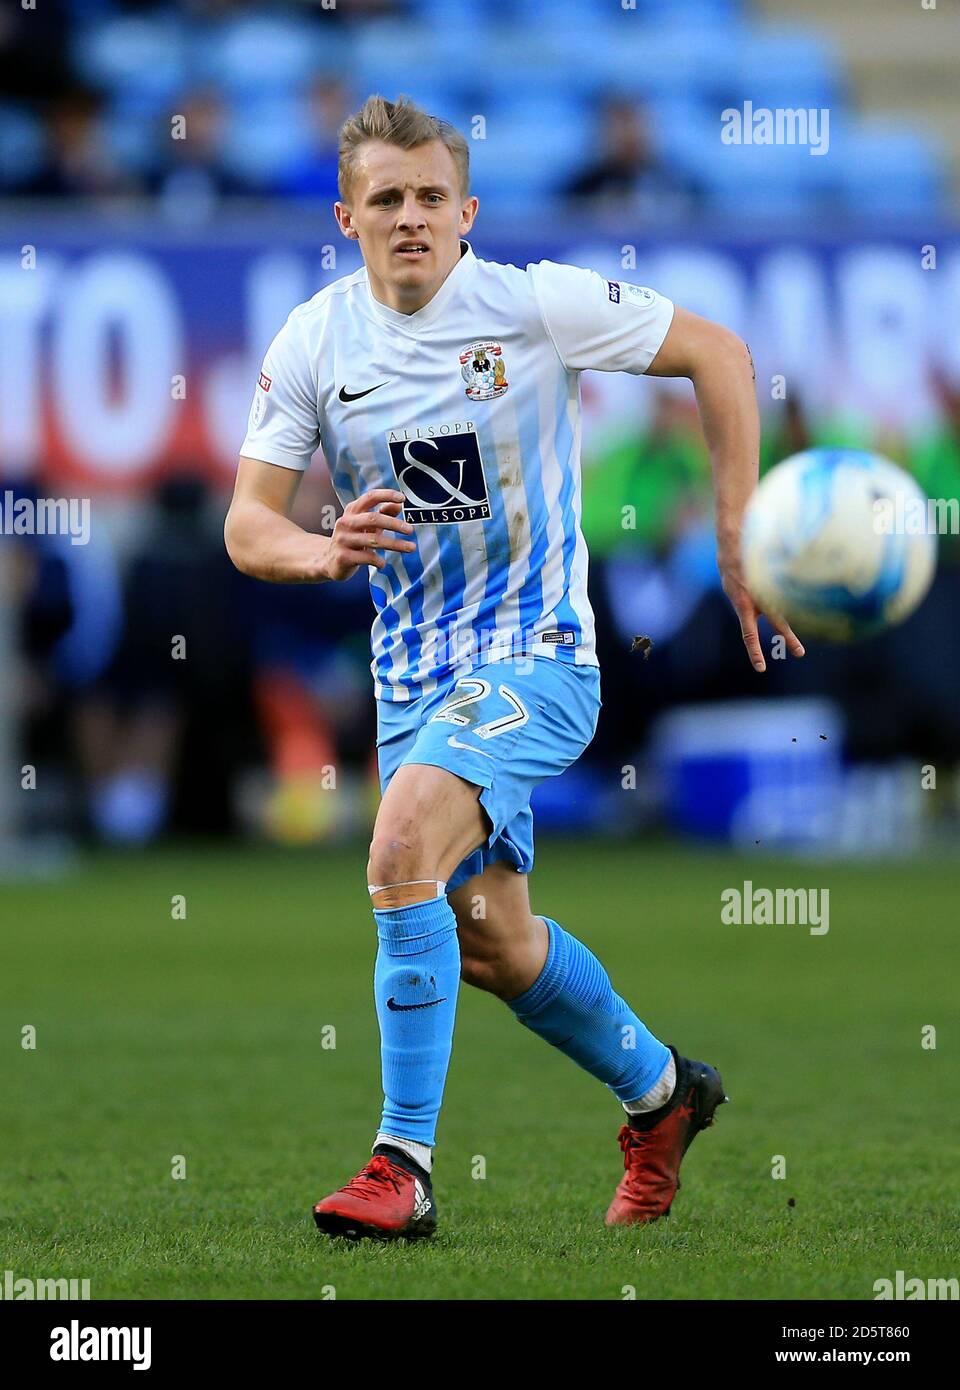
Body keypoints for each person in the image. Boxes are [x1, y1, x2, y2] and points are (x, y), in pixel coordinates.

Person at [224, 94, 804, 1242]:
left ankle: (403, 1166)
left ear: (466, 210)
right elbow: (249, 524)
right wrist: (323, 548)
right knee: (490, 937)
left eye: (431, 197)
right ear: (346, 215)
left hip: (538, 654)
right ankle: (662, 1093)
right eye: (385, 198)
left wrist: (735, 533)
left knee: (396, 848)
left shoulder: (535, 303)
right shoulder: (312, 342)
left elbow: (719, 353)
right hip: (413, 678)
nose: (410, 218)